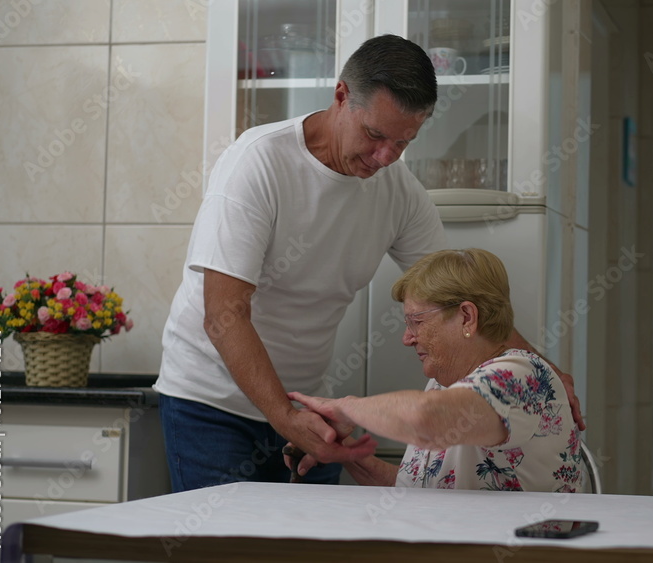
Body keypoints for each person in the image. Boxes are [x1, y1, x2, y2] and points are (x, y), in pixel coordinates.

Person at [155, 34, 583, 492]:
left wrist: (541, 369)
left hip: (308, 405)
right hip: (211, 402)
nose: (385, 157)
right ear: (341, 97)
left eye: (402, 143)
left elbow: (462, 299)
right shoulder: (257, 163)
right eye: (375, 135)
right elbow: (224, 312)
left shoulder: (398, 191)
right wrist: (282, 415)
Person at [286, 249, 585, 492]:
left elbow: (425, 418)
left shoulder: (522, 375)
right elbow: (417, 491)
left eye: (417, 321)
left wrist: (345, 409)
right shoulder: (448, 385)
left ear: (467, 316)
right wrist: (345, 451)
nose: (407, 338)